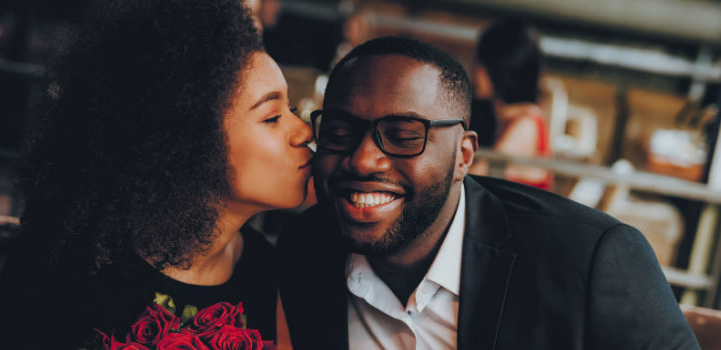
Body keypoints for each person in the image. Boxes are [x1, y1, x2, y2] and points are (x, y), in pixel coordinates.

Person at [0, 0, 312, 348]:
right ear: (188, 140)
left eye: (292, 109)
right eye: (272, 117)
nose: (304, 131)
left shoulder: (264, 268)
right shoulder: (84, 260)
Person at [276, 36, 699, 349]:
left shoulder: (589, 261)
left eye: (403, 136)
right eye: (338, 131)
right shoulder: (304, 251)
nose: (363, 160)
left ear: (463, 156)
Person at [469, 19, 553, 190]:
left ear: (499, 69)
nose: (474, 70)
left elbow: (473, 176)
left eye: (480, 62)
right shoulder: (503, 116)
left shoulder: (526, 124)